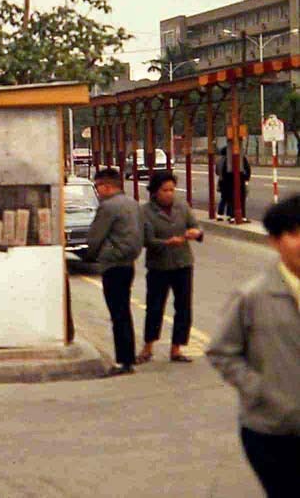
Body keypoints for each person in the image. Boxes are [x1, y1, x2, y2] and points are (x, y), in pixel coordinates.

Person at [207, 195, 300, 498]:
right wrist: (260, 389)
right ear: (274, 241)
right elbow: (221, 351)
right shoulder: (253, 296)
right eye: (294, 234)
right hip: (271, 431)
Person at [136, 172, 203, 365]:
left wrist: (195, 233)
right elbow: (146, 240)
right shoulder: (145, 212)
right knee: (155, 307)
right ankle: (148, 347)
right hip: (158, 266)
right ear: (155, 192)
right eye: (165, 190)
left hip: (183, 263)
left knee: (183, 306)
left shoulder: (182, 207)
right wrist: (166, 243)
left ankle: (177, 348)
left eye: (172, 190)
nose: (169, 194)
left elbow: (196, 227)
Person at [83, 167, 143, 376]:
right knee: (124, 311)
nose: (98, 192)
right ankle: (129, 356)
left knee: (117, 313)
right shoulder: (132, 203)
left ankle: (123, 361)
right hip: (128, 264)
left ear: (107, 186)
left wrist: (90, 255)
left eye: (98, 187)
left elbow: (95, 236)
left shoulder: (108, 207)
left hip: (112, 265)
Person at [220, 148, 253, 223]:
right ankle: (243, 216)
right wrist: (246, 178)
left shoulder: (228, 159)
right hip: (241, 181)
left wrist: (226, 181)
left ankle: (232, 217)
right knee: (242, 199)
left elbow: (224, 171)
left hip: (229, 182)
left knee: (231, 200)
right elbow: (248, 169)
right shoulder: (242, 158)